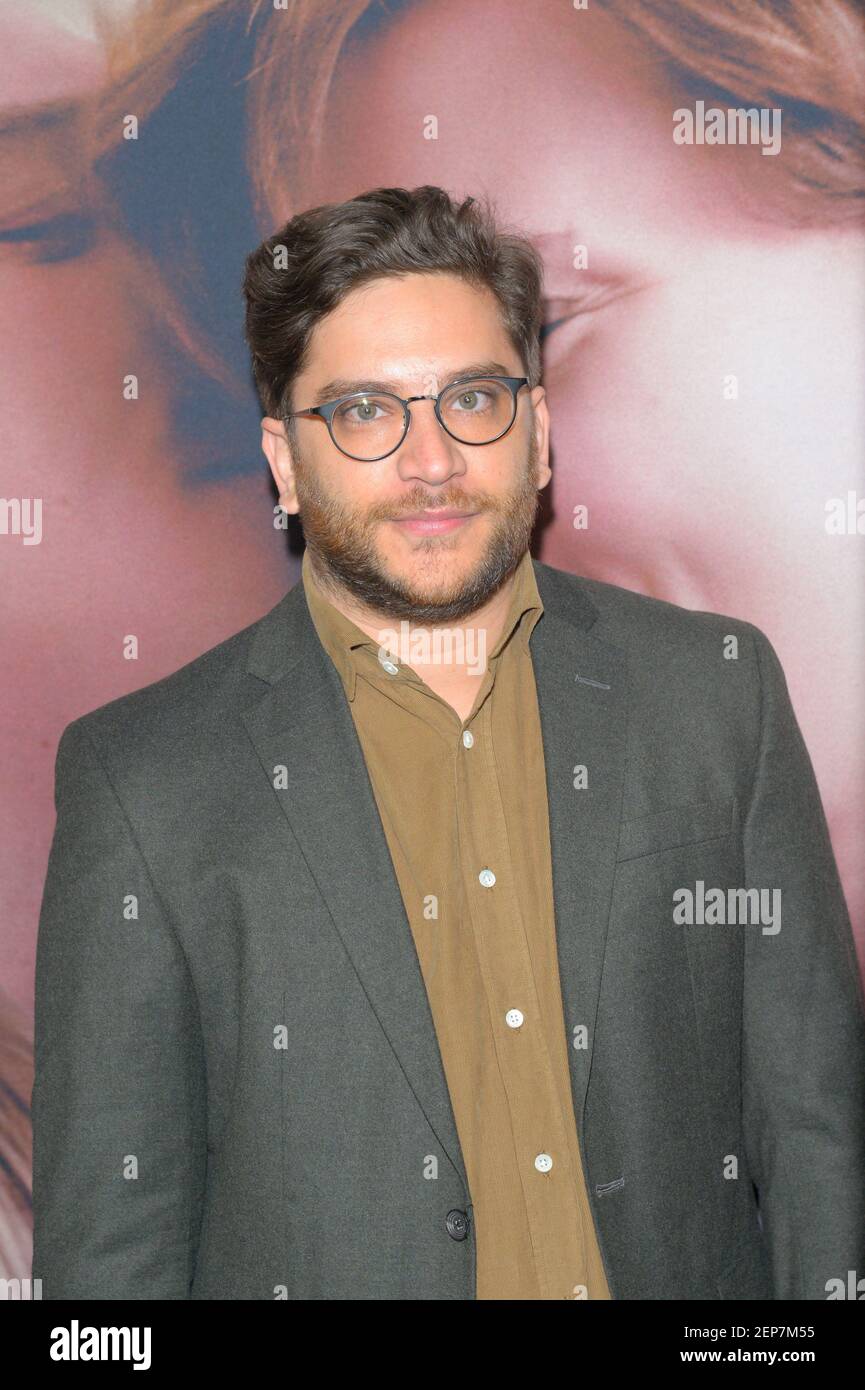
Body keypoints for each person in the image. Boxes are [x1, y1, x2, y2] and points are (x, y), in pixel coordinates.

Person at [31, 186, 865, 1300]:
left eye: (471, 397)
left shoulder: (714, 693)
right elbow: (108, 1263)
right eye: (367, 412)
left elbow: (817, 1140)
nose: (431, 460)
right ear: (283, 460)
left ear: (538, 430)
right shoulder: (144, 780)